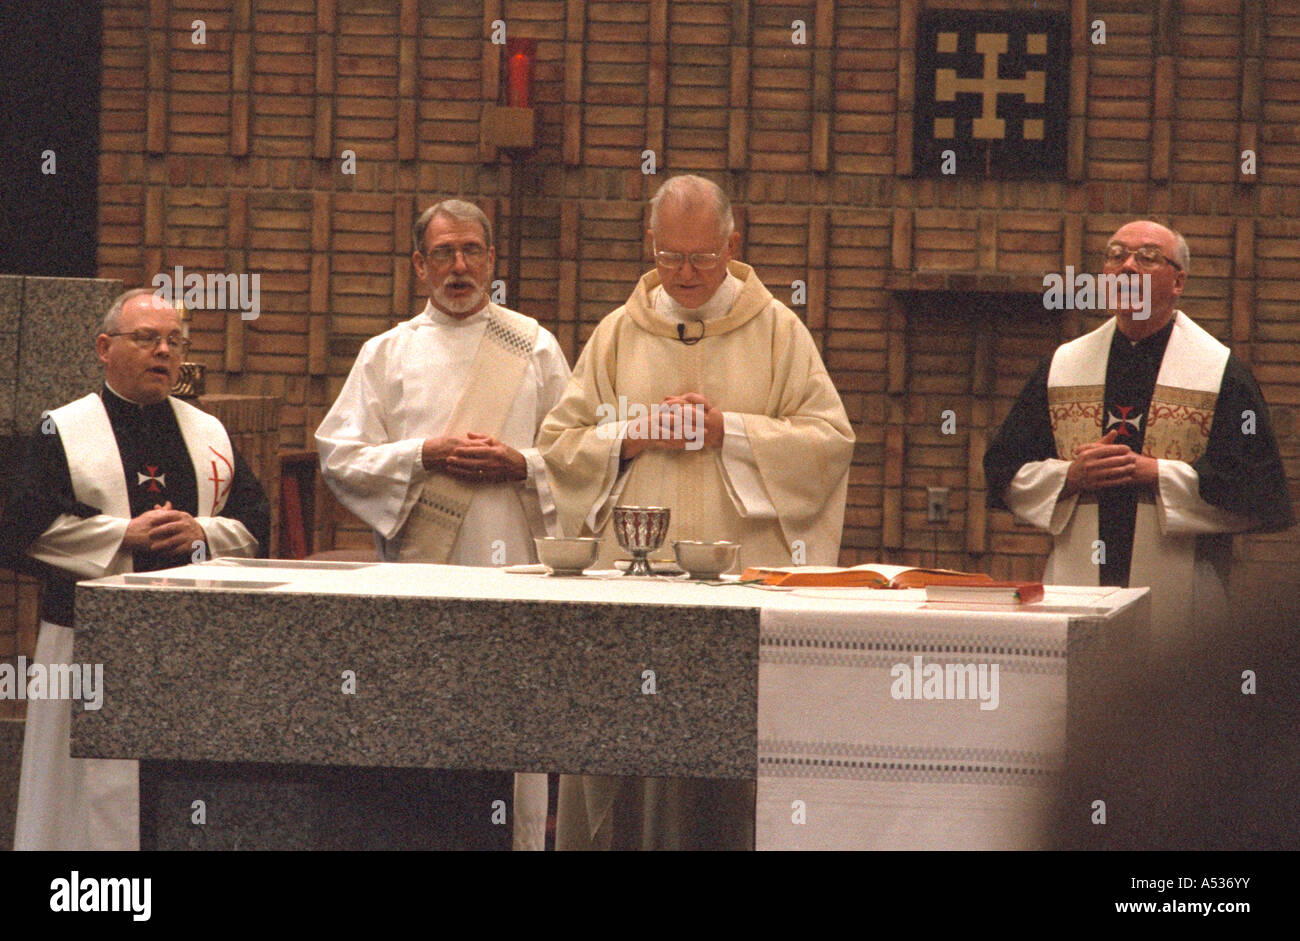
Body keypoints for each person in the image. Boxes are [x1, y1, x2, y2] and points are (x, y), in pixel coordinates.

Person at [537, 174, 855, 849]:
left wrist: (729, 433)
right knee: (629, 750)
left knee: (723, 777)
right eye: (668, 256)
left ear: (731, 244)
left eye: (701, 258)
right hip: (634, 598)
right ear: (650, 245)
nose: (684, 273)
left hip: (741, 595)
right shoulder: (620, 333)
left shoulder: (777, 330)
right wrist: (635, 435)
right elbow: (558, 445)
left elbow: (831, 444)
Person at [315, 199, 570, 850]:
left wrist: (522, 464)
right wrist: (422, 455)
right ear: (418, 265)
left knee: (511, 736)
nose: (459, 266)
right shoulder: (386, 353)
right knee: (425, 742)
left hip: (516, 580)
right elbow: (339, 456)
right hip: (422, 583)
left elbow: (580, 459)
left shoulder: (535, 346)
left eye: (472, 252)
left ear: (492, 259)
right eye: (443, 253)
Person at [0, 288, 270, 851]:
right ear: (104, 347)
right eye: (147, 338)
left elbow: (256, 525)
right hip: (86, 643)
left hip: (192, 640)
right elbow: (19, 528)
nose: (164, 351)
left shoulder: (208, 433)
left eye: (174, 341)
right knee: (76, 792)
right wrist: (124, 535)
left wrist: (203, 531)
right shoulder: (64, 430)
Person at [984, 220, 1293, 653]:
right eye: (1115, 255)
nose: (1126, 266)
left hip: (1184, 592)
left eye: (1146, 257)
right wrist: (1070, 476)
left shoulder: (1222, 374)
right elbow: (1001, 470)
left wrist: (1158, 474)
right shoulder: (1062, 366)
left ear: (1178, 281)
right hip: (1075, 584)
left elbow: (1259, 492)